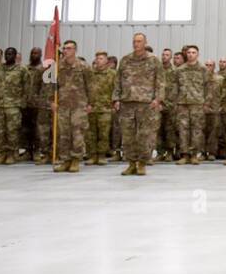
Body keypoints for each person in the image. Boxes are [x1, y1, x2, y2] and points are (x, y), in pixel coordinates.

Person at [113, 32, 164, 176]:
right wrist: (116, 99)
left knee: (144, 135)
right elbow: (118, 81)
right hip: (127, 102)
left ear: (145, 42)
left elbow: (160, 81)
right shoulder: (125, 60)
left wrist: (158, 99)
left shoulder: (154, 60)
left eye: (140, 41)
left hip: (146, 104)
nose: (136, 44)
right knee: (128, 136)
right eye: (135, 41)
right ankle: (131, 163)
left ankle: (142, 163)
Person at [52, 40, 91, 172]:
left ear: (75, 50)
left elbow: (91, 86)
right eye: (64, 48)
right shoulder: (57, 67)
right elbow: (51, 86)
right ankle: (65, 160)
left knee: (77, 133)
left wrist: (90, 103)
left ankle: (75, 160)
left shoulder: (83, 66)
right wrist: (52, 101)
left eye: (69, 48)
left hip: (79, 105)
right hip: (62, 105)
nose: (66, 51)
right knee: (64, 134)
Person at [172, 45, 209, 165]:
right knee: (183, 130)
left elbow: (208, 87)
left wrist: (206, 103)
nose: (191, 54)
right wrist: (175, 103)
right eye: (189, 52)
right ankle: (184, 155)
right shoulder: (179, 70)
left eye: (193, 52)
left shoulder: (203, 69)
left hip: (197, 104)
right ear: (186, 54)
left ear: (197, 54)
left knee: (197, 130)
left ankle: (194, 155)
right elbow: (175, 87)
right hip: (182, 103)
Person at [86, 52, 116, 166]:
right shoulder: (90, 74)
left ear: (106, 61)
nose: (98, 60)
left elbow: (116, 89)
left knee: (104, 133)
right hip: (91, 108)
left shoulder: (112, 74)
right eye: (97, 58)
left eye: (101, 58)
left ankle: (102, 155)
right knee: (91, 133)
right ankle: (92, 155)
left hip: (105, 108)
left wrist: (115, 103)